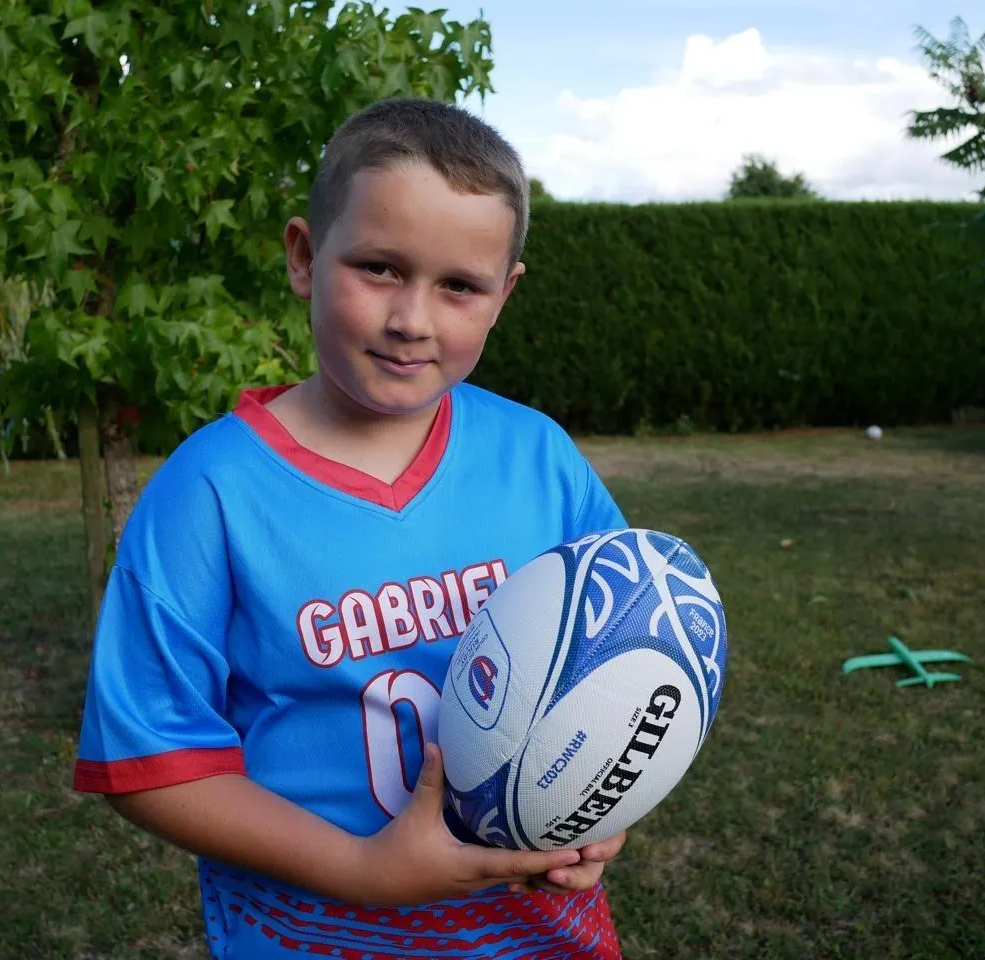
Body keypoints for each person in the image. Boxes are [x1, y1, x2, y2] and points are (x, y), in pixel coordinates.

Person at [73, 96, 630, 958]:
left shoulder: (541, 461)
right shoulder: (209, 493)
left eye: (459, 286)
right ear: (304, 256)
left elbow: (621, 671)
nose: (413, 319)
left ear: (505, 294)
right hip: (313, 933)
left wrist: (600, 815)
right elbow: (153, 762)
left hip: (539, 935)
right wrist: (363, 869)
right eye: (378, 268)